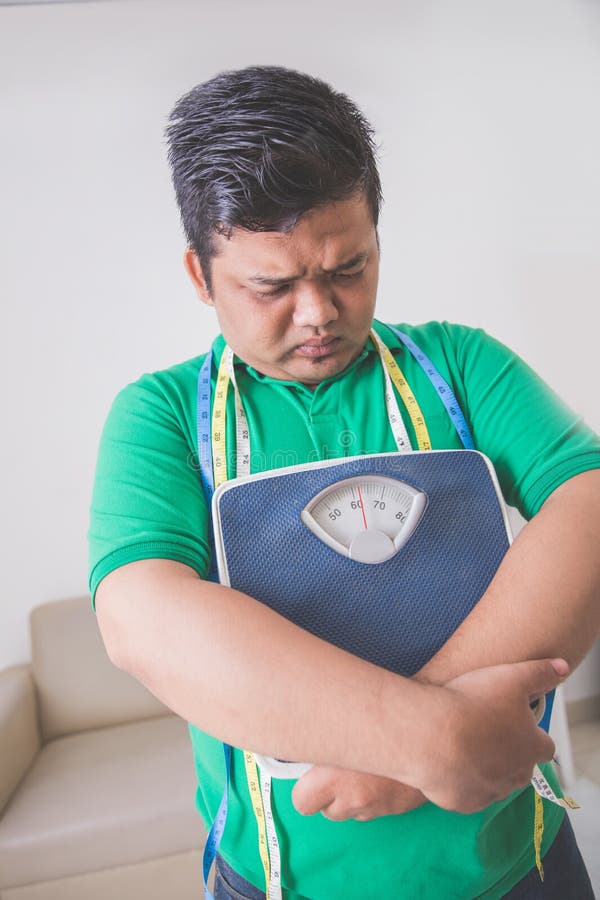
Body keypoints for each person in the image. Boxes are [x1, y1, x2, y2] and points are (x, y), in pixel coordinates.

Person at [88, 66, 600, 899]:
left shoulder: (461, 366)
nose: (319, 311)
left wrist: (422, 748)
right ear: (199, 276)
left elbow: (591, 498)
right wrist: (427, 740)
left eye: (349, 267)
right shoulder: (161, 416)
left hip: (520, 862)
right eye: (273, 285)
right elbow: (142, 616)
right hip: (282, 881)